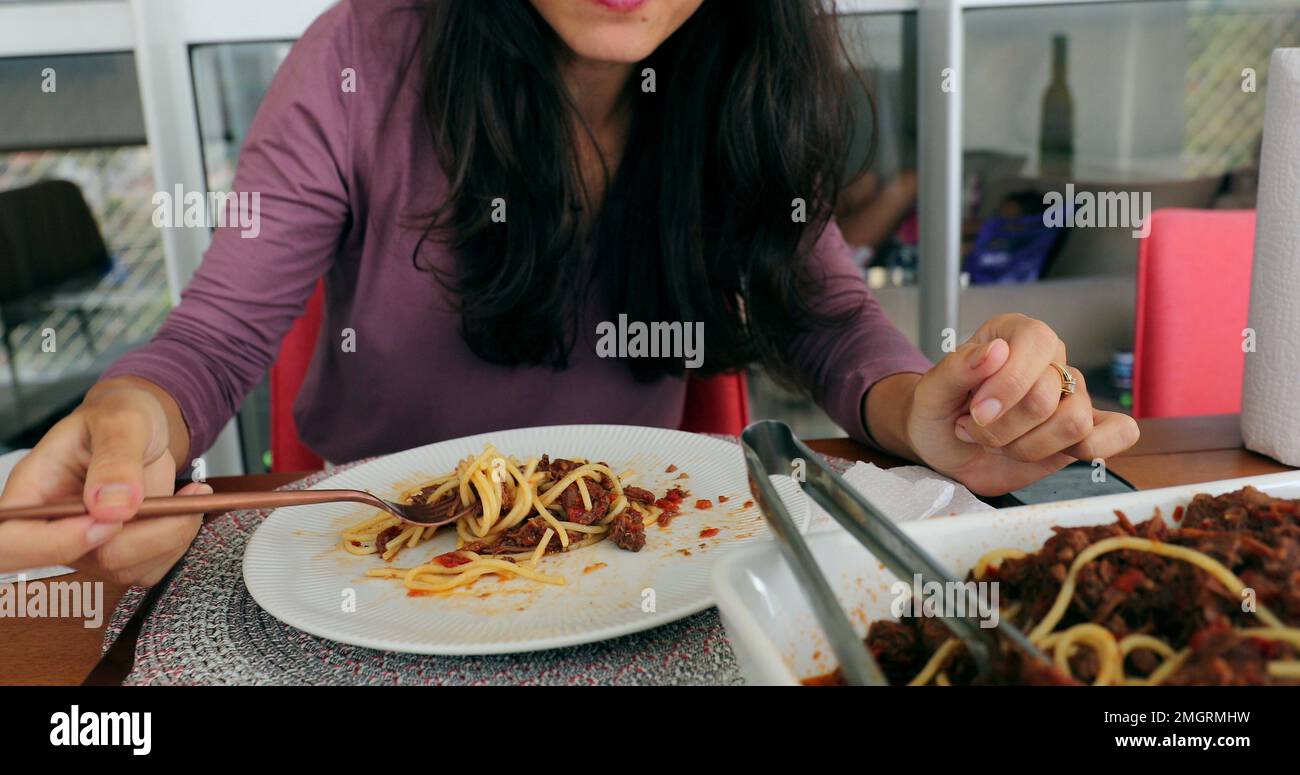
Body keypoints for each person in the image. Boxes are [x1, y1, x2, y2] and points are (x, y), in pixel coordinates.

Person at [0, 0, 1137, 585]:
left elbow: (832, 322)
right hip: (366, 559)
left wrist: (933, 411)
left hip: (628, 566)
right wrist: (135, 415)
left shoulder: (741, 61)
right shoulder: (362, 51)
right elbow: (213, 336)